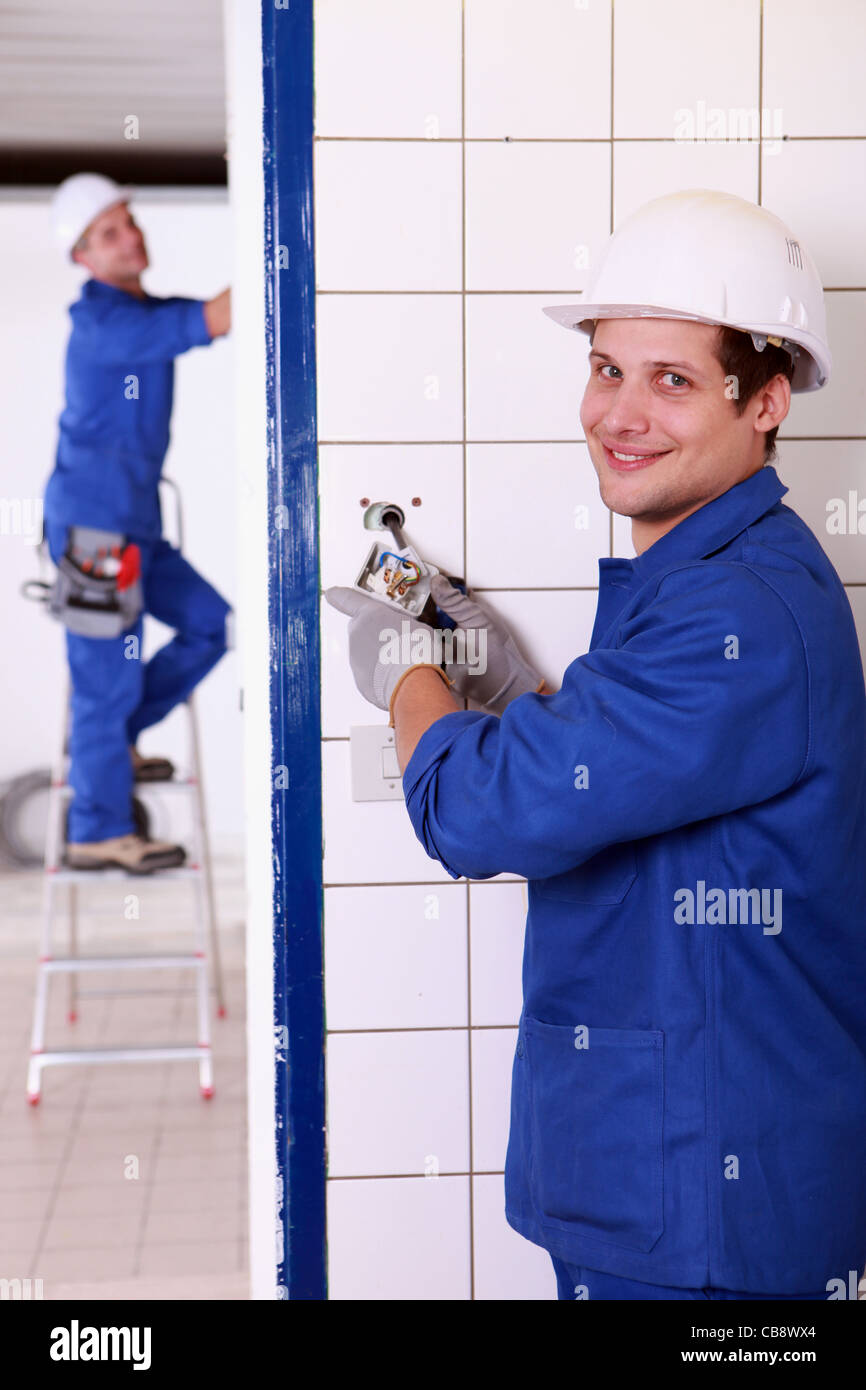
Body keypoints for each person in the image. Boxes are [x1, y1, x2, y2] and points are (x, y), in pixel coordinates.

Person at [326, 189, 866, 1300]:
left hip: (703, 1209)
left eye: (670, 379)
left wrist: (406, 668)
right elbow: (632, 765)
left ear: (763, 401)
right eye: (606, 367)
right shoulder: (706, 577)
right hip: (669, 1175)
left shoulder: (736, 612)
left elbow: (477, 812)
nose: (618, 412)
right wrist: (508, 680)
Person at [44, 173, 232, 873]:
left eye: (129, 220)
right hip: (95, 533)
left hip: (135, 529)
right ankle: (96, 826)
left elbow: (207, 317)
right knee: (104, 682)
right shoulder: (104, 321)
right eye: (109, 233)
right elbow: (211, 319)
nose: (131, 237)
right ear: (83, 259)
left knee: (215, 624)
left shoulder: (138, 311)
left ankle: (113, 744)